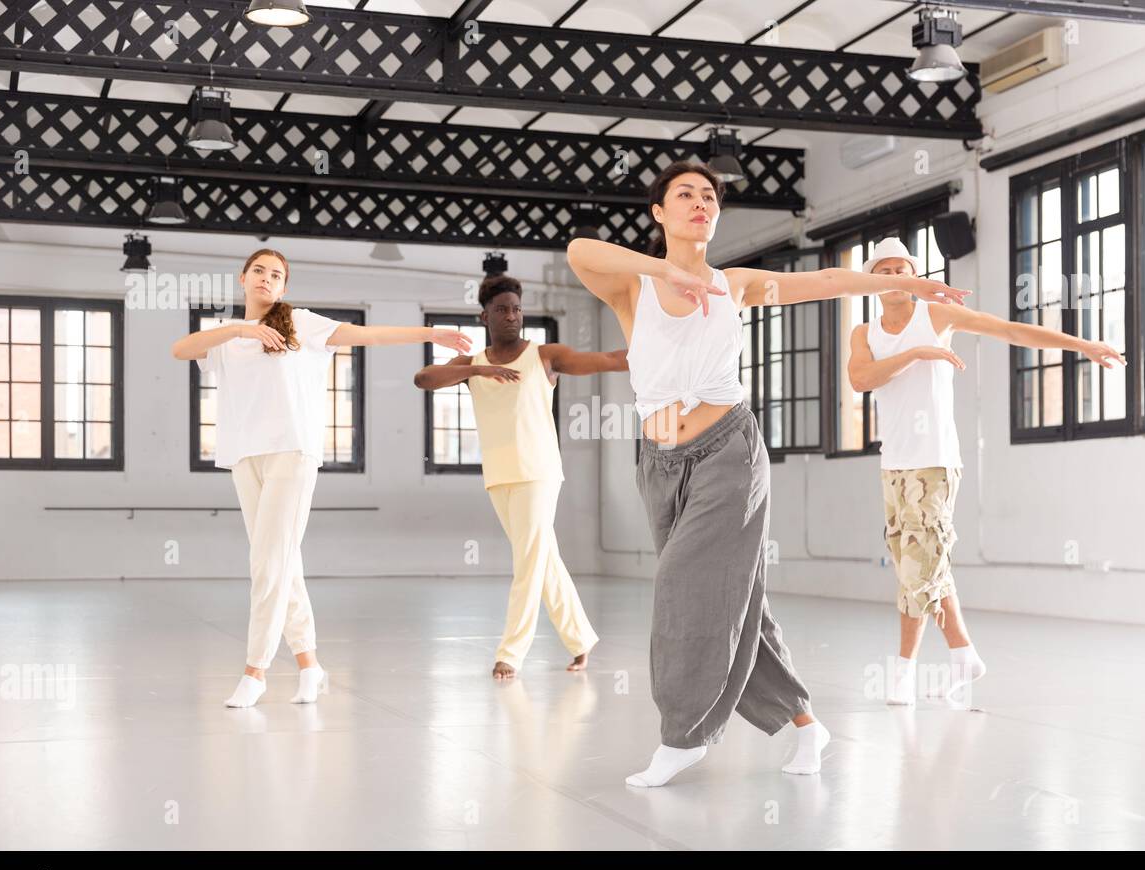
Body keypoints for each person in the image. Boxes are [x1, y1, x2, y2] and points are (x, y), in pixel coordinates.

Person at [566, 161, 971, 787]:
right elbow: (578, 250)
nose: (701, 202)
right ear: (659, 213)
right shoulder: (632, 287)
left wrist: (908, 289)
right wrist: (663, 269)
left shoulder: (736, 285)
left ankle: (682, 734)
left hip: (729, 454)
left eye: (710, 196)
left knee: (683, 586)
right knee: (737, 601)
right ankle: (805, 723)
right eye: (685, 194)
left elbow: (827, 280)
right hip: (656, 464)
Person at [171, 248, 470, 707]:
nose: (266, 279)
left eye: (276, 275)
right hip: (244, 457)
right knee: (281, 562)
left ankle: (256, 671)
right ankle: (311, 667)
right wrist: (238, 328)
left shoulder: (303, 324)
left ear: (284, 287)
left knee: (267, 564)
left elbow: (368, 335)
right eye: (259, 272)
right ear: (243, 278)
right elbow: (179, 350)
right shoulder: (227, 339)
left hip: (293, 454)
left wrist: (431, 332)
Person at [848, 236, 1126, 707]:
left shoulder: (934, 316)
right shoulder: (864, 333)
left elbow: (1009, 330)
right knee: (922, 564)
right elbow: (860, 380)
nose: (895, 278)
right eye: (886, 271)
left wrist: (1083, 344)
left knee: (917, 566)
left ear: (916, 278)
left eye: (904, 270)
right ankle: (964, 657)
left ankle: (903, 671)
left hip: (933, 462)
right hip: (893, 462)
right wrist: (917, 354)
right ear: (872, 279)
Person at [415, 274, 626, 679]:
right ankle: (581, 639)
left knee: (527, 563)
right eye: (501, 309)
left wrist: (657, 352)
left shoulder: (544, 355)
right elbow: (423, 379)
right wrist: (475, 372)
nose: (511, 315)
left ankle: (510, 652)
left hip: (538, 471)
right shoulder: (473, 364)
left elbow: (606, 360)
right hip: (499, 476)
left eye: (516, 308)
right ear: (485, 316)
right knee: (543, 559)